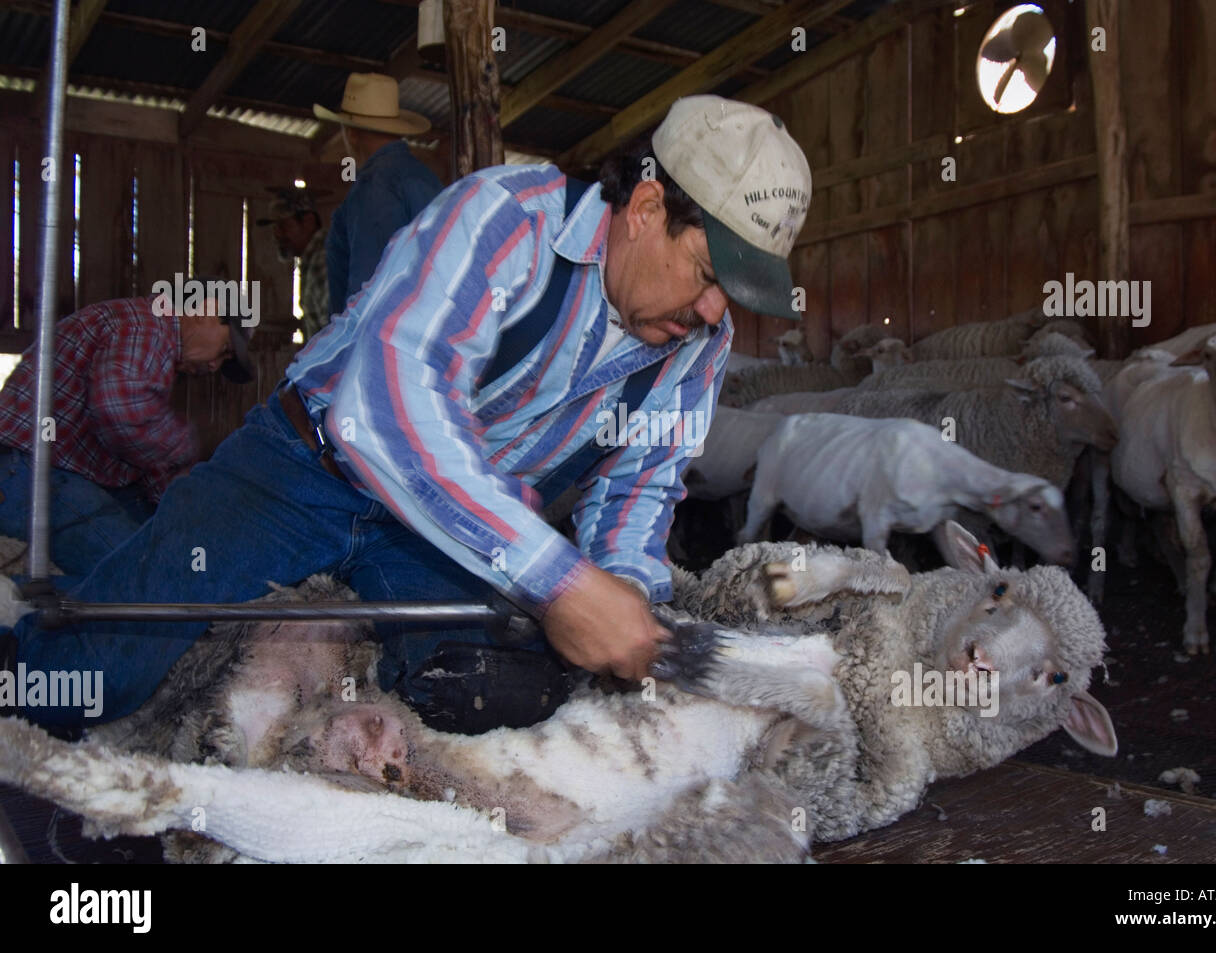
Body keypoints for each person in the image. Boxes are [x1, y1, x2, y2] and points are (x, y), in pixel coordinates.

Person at [5, 95, 811, 733]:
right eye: (706, 272)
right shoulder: (505, 221)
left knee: (484, 692)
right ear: (643, 207)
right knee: (101, 671)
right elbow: (390, 405)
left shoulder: (698, 345)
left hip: (454, 523)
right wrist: (558, 578)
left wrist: (630, 615)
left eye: (732, 294)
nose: (713, 310)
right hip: (303, 466)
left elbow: (640, 484)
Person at [0, 292, 254, 577]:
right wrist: (184, 444)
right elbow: (117, 410)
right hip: (27, 471)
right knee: (142, 574)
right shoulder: (145, 327)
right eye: (225, 351)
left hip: (57, 471)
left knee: (170, 546)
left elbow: (140, 453)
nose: (213, 367)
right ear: (205, 311)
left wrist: (178, 502)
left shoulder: (152, 343)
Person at [313, 72, 443, 316]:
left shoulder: (374, 187)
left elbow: (368, 292)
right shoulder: (427, 179)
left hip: (390, 341)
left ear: (350, 133)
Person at [256, 186, 329, 339]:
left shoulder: (322, 261)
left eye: (283, 225)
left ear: (308, 221)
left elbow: (333, 334)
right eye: (274, 227)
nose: (276, 234)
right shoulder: (315, 258)